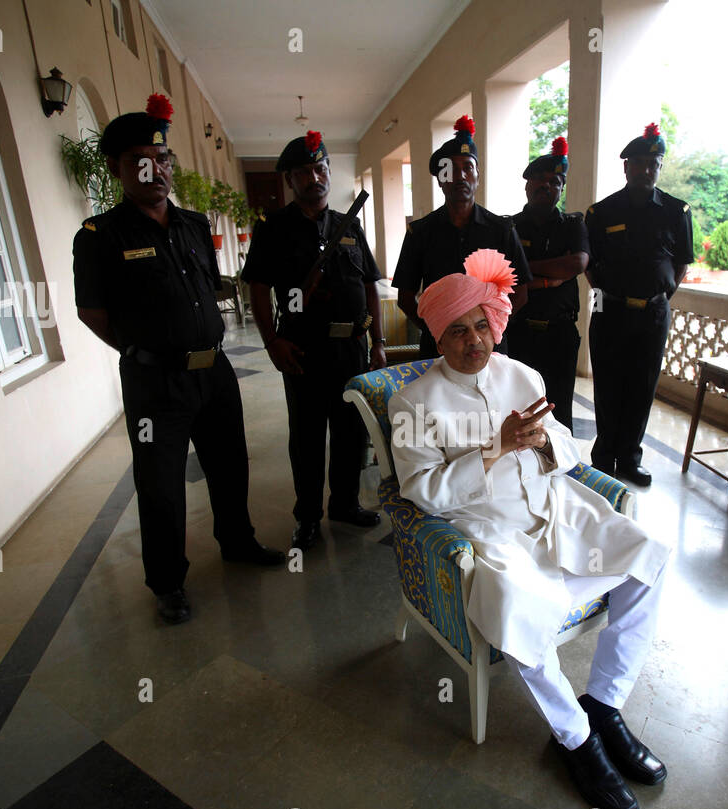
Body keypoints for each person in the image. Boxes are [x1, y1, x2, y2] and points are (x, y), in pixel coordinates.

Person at [388, 249, 670, 809]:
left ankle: (605, 705)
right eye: (459, 331)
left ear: (496, 323)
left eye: (482, 326)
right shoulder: (412, 402)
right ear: (438, 338)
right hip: (490, 534)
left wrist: (538, 441)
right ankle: (575, 737)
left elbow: (564, 454)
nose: (475, 341)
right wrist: (495, 446)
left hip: (556, 508)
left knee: (651, 557)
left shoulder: (523, 375)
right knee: (517, 605)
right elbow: (423, 493)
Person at [72, 93, 284, 626]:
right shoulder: (100, 236)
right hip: (154, 383)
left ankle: (237, 542)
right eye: (141, 160)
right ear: (118, 168)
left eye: (163, 159)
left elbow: (208, 290)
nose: (156, 170)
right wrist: (141, 350)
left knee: (230, 466)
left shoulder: (192, 225)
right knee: (161, 485)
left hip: (214, 371)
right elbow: (91, 312)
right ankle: (167, 582)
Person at [241, 130, 384, 552]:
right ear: (290, 180)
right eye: (303, 172)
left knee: (351, 431)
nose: (314, 177)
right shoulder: (273, 229)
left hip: (352, 350)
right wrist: (271, 342)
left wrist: (377, 341)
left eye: (320, 168)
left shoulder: (348, 225)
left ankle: (344, 504)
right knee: (305, 438)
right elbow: (258, 287)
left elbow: (370, 285)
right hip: (303, 349)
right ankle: (306, 517)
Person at [586, 122, 695, 486]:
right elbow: (591, 265)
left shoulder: (676, 212)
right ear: (626, 167)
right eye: (640, 164)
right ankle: (603, 455)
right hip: (610, 309)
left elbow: (680, 263)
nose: (648, 170)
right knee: (608, 382)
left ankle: (630, 458)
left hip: (653, 312)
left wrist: (659, 297)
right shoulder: (601, 213)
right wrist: (604, 300)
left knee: (642, 385)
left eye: (655, 164)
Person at [393, 115, 532, 360]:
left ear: (477, 175)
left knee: (492, 399)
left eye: (467, 168)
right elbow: (405, 298)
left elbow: (520, 293)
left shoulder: (501, 229)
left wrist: (490, 327)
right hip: (438, 348)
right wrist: (437, 328)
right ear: (440, 180)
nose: (460, 176)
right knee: (436, 399)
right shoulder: (421, 232)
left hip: (491, 347)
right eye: (450, 170)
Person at [508, 136, 589, 430]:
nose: (547, 186)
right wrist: (547, 278)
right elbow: (504, 273)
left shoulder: (573, 225)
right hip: (519, 330)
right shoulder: (509, 227)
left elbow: (577, 264)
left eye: (555, 181)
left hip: (560, 334)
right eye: (540, 180)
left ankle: (559, 466)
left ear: (562, 188)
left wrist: (524, 272)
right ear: (527, 185)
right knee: (517, 407)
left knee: (559, 408)